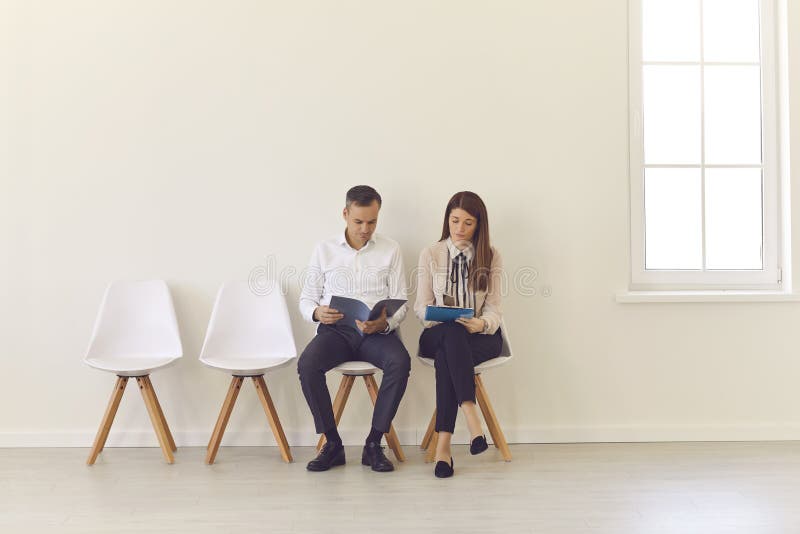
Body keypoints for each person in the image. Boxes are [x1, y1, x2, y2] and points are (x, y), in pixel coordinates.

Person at [298, 185, 410, 472]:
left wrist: (385, 322)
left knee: (400, 362)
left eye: (372, 222)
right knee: (308, 365)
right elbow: (306, 299)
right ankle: (332, 443)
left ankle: (374, 444)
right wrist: (317, 312)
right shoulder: (324, 250)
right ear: (345, 214)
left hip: (375, 333)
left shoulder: (391, 249)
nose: (365, 229)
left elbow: (401, 302)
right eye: (358, 221)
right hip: (336, 331)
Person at [414, 191, 504, 478]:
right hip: (437, 334)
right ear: (447, 220)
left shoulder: (491, 256)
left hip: (479, 337)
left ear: (479, 225)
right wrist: (439, 315)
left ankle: (443, 447)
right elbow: (420, 307)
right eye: (454, 221)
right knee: (451, 332)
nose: (460, 229)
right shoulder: (430, 254)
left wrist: (482, 324)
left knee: (448, 358)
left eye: (468, 223)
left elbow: (495, 309)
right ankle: (471, 415)